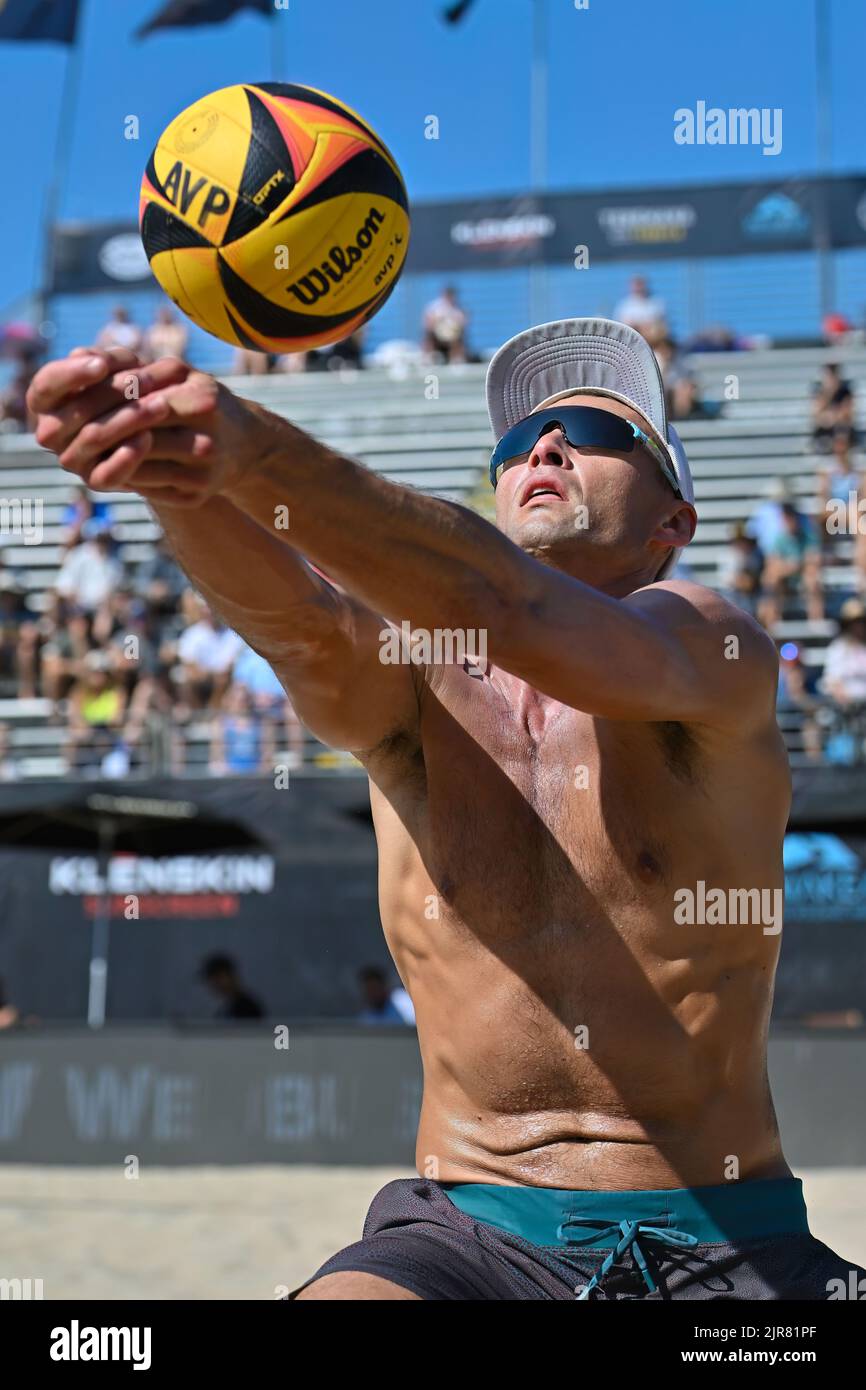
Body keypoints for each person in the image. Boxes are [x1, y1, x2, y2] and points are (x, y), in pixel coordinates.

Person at [28, 318, 865, 1301]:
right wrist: (169, 470)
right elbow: (301, 629)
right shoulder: (416, 676)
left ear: (670, 522)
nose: (540, 447)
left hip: (728, 1242)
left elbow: (510, 608)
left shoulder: (712, 647)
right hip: (470, 1233)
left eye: (594, 434)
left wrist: (259, 452)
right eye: (515, 445)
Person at [54, 524, 123, 614]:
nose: (101, 544)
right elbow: (64, 585)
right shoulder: (77, 556)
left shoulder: (114, 560)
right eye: (98, 540)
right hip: (78, 604)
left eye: (103, 540)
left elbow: (115, 587)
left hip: (103, 605)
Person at [200, 953, 264, 1019]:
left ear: (231, 977)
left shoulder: (246, 1008)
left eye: (218, 977)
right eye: (211, 979)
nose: (214, 983)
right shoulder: (227, 1007)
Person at [810, 363, 855, 454]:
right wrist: (829, 392)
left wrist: (829, 417)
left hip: (841, 431)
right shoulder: (819, 391)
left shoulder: (845, 392)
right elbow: (817, 416)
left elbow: (846, 415)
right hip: (824, 432)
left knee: (842, 431)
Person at [614, 276, 667, 345]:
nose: (638, 287)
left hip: (654, 342)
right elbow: (621, 326)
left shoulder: (656, 303)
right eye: (636, 284)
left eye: (640, 284)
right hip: (631, 342)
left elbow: (661, 326)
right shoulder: (624, 305)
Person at [422, 286, 468, 364]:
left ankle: (456, 360)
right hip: (436, 336)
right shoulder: (434, 307)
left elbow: (463, 322)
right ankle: (427, 359)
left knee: (458, 339)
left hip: (453, 337)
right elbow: (427, 322)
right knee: (428, 337)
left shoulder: (457, 308)